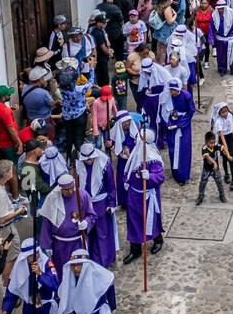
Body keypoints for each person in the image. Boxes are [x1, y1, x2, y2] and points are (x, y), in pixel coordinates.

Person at [40, 173, 95, 282]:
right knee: (63, 271)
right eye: (66, 190)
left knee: (80, 270)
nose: (70, 192)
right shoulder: (52, 199)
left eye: (71, 188)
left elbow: (92, 215)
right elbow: (47, 223)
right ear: (60, 189)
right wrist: (48, 246)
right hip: (60, 245)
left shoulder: (82, 195)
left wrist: (86, 222)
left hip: (77, 243)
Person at [122, 129, 164, 264]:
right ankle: (135, 249)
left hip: (148, 195)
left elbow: (160, 176)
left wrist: (149, 176)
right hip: (134, 193)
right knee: (133, 221)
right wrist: (127, 180)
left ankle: (158, 239)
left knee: (150, 219)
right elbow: (128, 168)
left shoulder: (153, 158)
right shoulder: (136, 153)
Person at [76, 141, 119, 268]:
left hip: (102, 203)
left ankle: (105, 260)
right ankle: (92, 259)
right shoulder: (78, 165)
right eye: (86, 159)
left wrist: (111, 203)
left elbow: (111, 184)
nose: (89, 160)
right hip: (86, 204)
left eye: (90, 158)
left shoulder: (104, 163)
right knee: (89, 232)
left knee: (103, 232)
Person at [163, 79, 195, 185]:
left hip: (183, 127)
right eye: (171, 90)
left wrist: (180, 124)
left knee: (183, 149)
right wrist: (168, 123)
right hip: (171, 125)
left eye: (174, 90)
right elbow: (164, 111)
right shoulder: (167, 97)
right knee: (172, 149)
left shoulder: (186, 96)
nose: (173, 92)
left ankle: (183, 175)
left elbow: (191, 111)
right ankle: (175, 173)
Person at [211, 102, 233, 191]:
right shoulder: (218, 121)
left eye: (226, 111)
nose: (225, 114)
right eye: (223, 112)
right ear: (219, 113)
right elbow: (221, 136)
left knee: (231, 159)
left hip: (230, 137)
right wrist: (226, 150)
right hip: (222, 140)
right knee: (224, 158)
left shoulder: (231, 115)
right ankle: (226, 174)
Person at [197, 130, 228, 205]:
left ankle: (222, 195)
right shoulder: (204, 148)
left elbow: (223, 147)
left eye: (213, 142)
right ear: (206, 142)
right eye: (210, 143)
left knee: (219, 182)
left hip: (215, 169)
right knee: (203, 182)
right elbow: (207, 157)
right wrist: (214, 162)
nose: (212, 144)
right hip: (207, 169)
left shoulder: (216, 145)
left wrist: (226, 153)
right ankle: (200, 196)